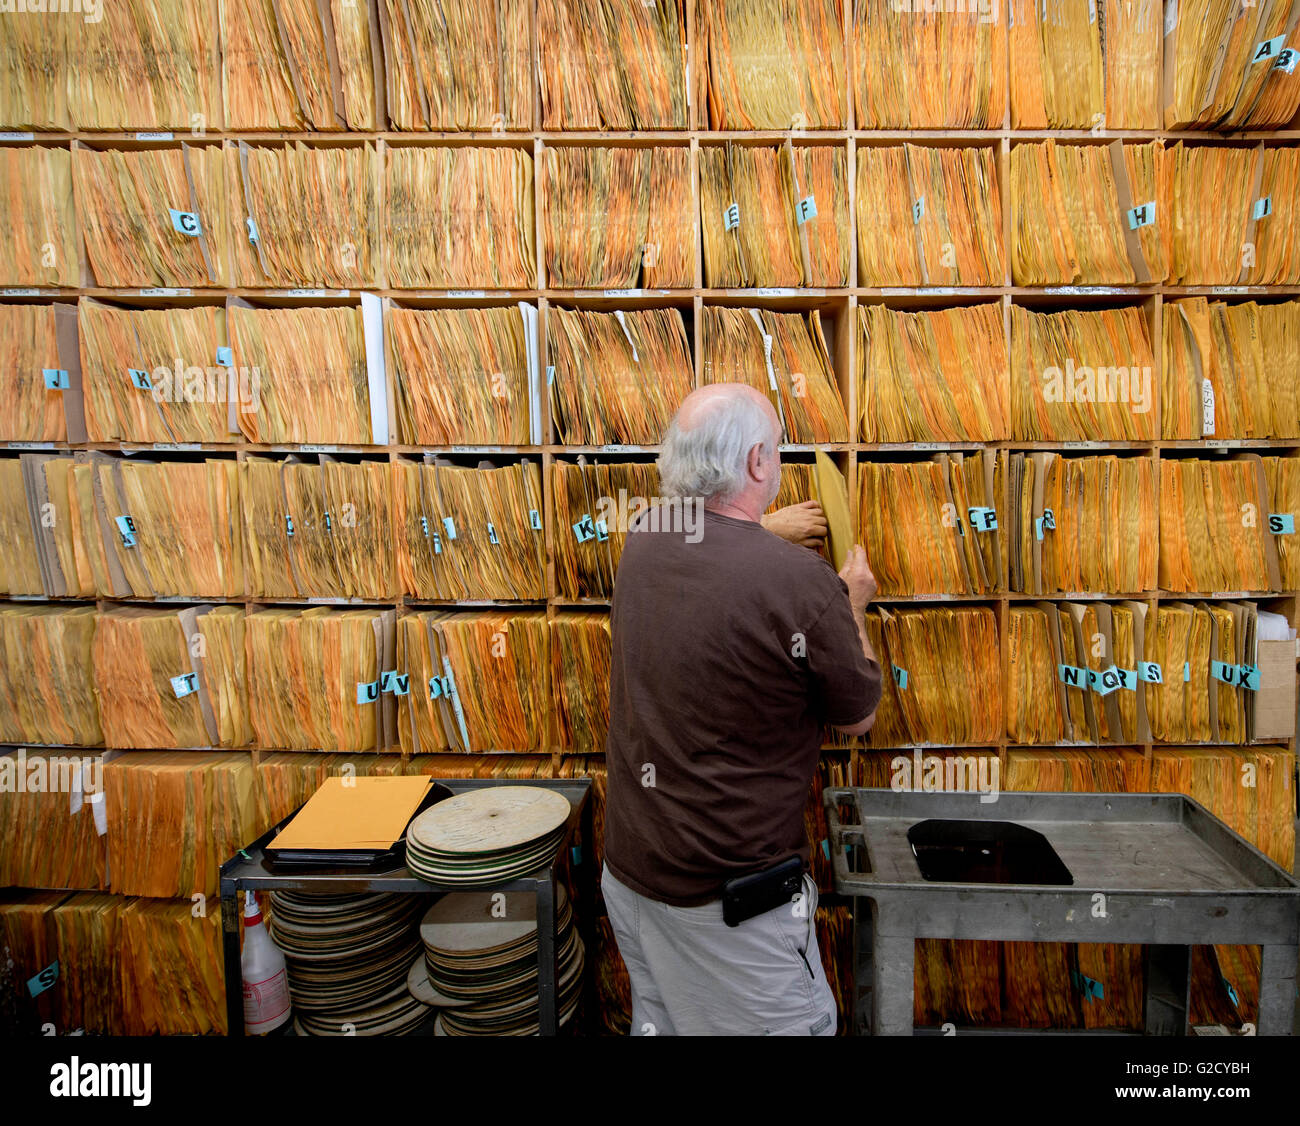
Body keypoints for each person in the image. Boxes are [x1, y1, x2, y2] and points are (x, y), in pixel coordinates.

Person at [601, 382, 883, 1036]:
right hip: (728, 906)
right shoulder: (801, 584)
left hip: (634, 879)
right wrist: (852, 603)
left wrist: (761, 529)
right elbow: (857, 715)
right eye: (776, 451)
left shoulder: (643, 541)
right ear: (759, 464)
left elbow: (711, 544)